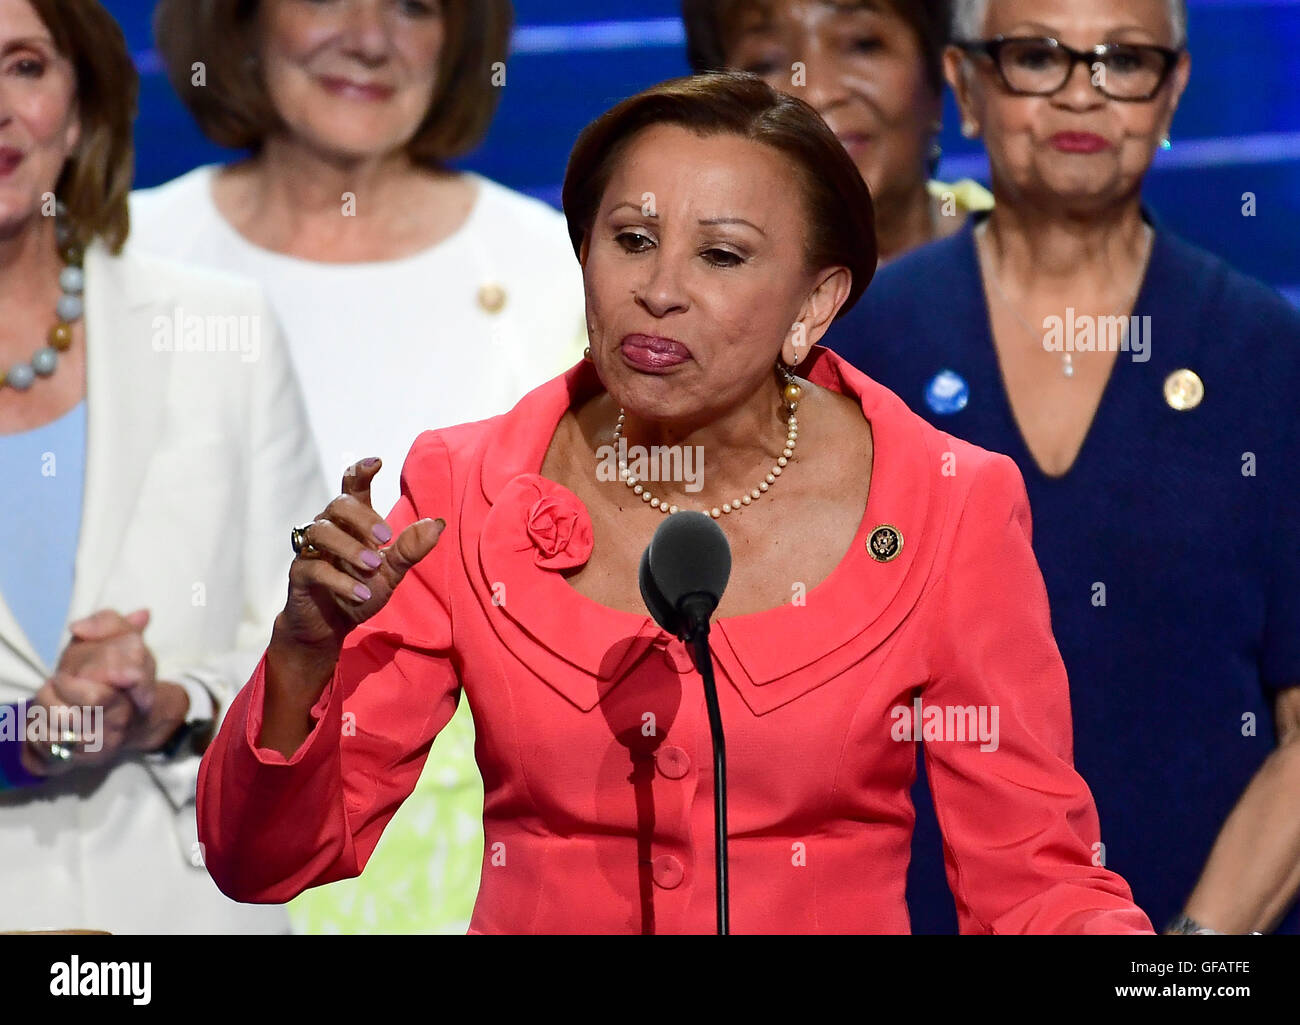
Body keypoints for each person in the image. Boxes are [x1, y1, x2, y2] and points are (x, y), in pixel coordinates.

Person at [196, 71, 1155, 934]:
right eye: (633, 240)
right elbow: (265, 861)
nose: (659, 291)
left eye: (723, 256)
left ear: (814, 306)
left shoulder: (950, 503)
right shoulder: (464, 490)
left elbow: (1034, 882)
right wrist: (303, 657)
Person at [827, 0, 1300, 934]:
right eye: (1036, 57)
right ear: (963, 84)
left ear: (1173, 93)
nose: (1082, 92)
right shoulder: (862, 347)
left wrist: (1183, 964)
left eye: (1124, 61)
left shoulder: (1267, 354)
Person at [132, 0, 588, 934]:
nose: (371, 38)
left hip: (467, 877)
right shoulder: (125, 255)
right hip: (148, 847)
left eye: (414, 6)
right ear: (239, 22)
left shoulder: (557, 267)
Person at [0, 0, 328, 933]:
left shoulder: (221, 329)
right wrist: (21, 744)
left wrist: (167, 705)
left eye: (25, 65)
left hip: (183, 905)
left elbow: (308, 646)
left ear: (81, 106)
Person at [681, 0, 993, 263]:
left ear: (938, 75)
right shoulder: (682, 295)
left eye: (862, 45)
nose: (816, 92)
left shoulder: (1022, 265)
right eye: (766, 62)